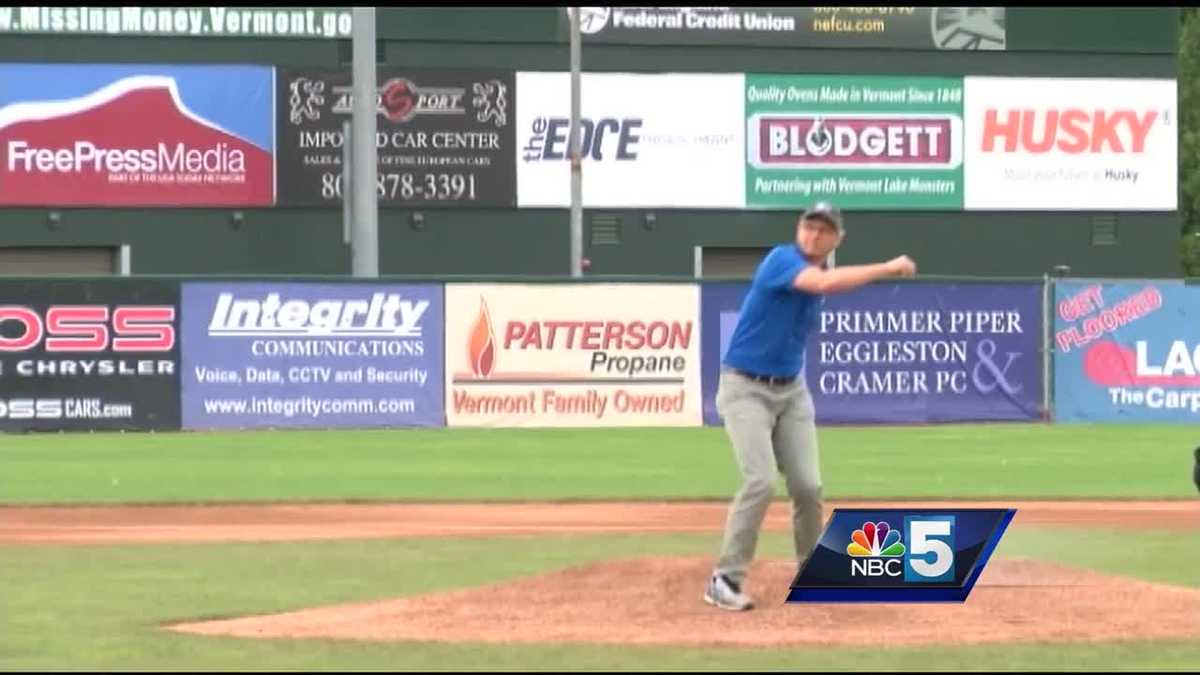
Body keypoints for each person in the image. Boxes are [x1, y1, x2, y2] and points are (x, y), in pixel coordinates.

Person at [703, 201, 917, 611]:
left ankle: (810, 569)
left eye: (823, 230)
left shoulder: (815, 273)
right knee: (761, 480)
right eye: (808, 226)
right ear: (798, 228)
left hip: (792, 391)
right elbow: (824, 284)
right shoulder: (782, 260)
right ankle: (724, 579)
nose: (813, 234)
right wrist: (888, 267)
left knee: (807, 485)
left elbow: (822, 285)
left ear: (838, 239)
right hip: (745, 387)